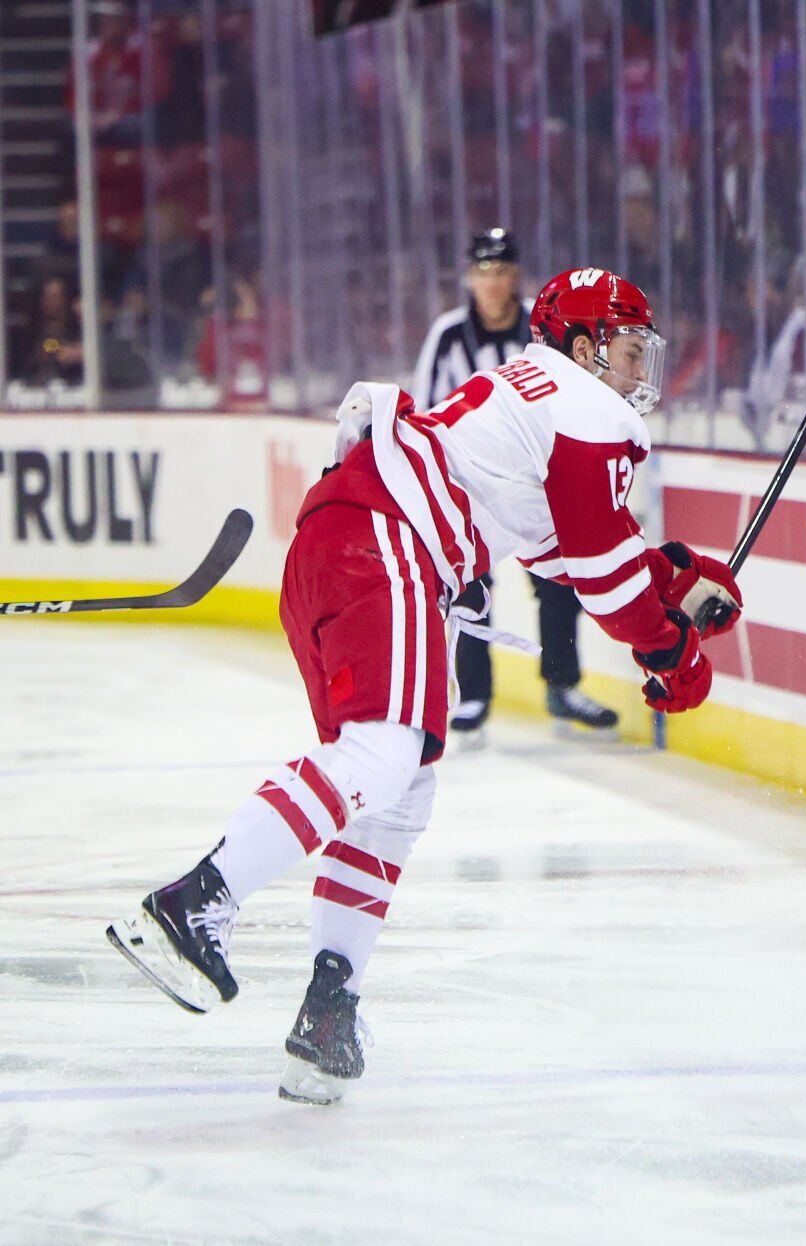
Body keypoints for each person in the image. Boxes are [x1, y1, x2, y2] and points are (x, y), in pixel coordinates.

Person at [107, 267, 742, 1104]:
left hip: (346, 540)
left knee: (398, 785)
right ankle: (197, 901)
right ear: (586, 348)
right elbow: (598, 571)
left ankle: (327, 1010)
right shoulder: (592, 408)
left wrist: (676, 578)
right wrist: (670, 653)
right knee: (383, 752)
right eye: (627, 352)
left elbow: (566, 549)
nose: (638, 373)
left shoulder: (535, 394)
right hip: (387, 545)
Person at [413, 228, 621, 742]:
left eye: (501, 270)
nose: (492, 282)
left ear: (515, 275)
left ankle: (562, 686)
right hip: (468, 485)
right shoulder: (447, 335)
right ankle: (475, 694)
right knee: (468, 588)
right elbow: (423, 407)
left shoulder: (543, 326)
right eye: (483, 271)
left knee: (559, 581)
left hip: (540, 482)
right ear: (468, 278)